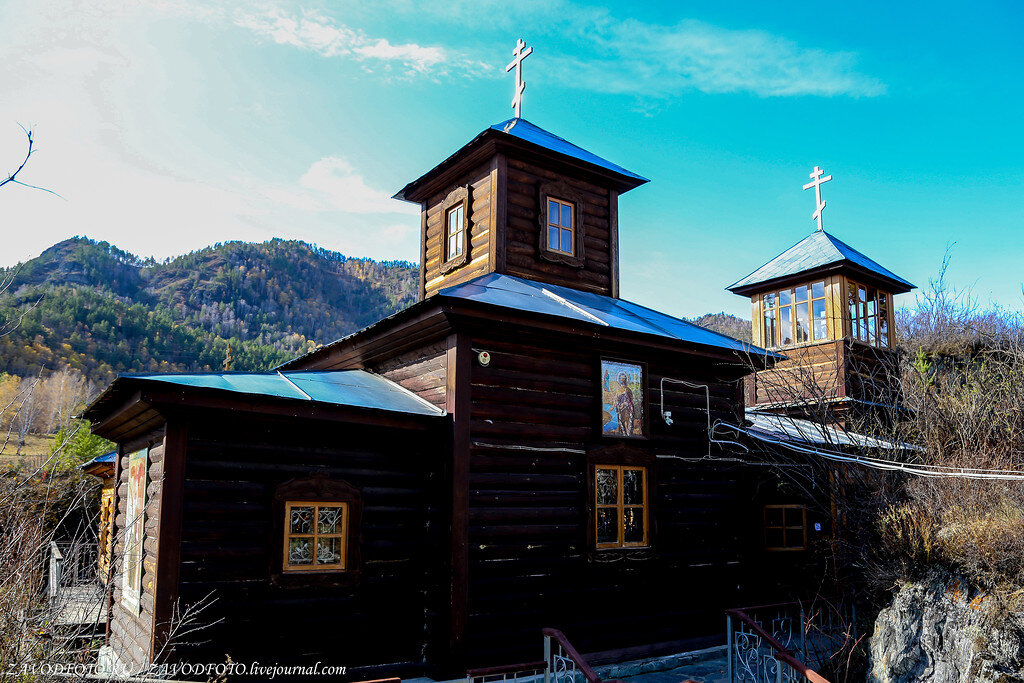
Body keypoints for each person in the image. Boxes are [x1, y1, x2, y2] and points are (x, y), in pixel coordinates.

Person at [614, 371, 635, 436]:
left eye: (623, 378)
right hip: (620, 409)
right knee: (621, 422)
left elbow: (630, 400)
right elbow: (616, 399)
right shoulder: (618, 390)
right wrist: (616, 405)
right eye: (621, 378)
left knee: (627, 421)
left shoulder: (628, 389)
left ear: (625, 379)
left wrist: (624, 404)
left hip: (627, 408)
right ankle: (623, 433)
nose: (622, 379)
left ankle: (628, 434)